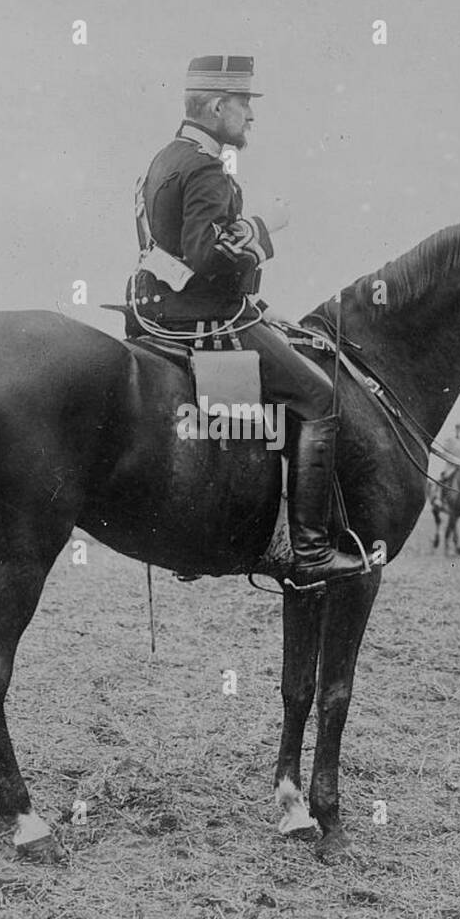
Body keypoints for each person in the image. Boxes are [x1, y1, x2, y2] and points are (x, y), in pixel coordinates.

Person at [126, 54, 366, 588]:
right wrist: (258, 231)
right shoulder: (208, 168)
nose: (251, 118)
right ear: (216, 106)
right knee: (320, 398)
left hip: (159, 316)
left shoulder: (163, 159)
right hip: (206, 321)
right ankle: (311, 551)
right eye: (244, 106)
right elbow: (206, 254)